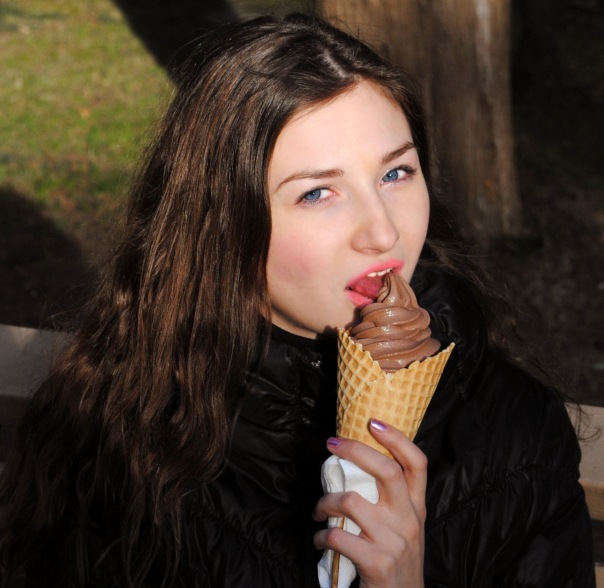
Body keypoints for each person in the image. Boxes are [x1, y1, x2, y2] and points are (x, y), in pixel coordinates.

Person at [0, 13, 595, 588]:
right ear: (223, 226)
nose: (382, 232)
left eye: (395, 173)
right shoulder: (118, 439)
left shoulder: (520, 436)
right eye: (317, 193)